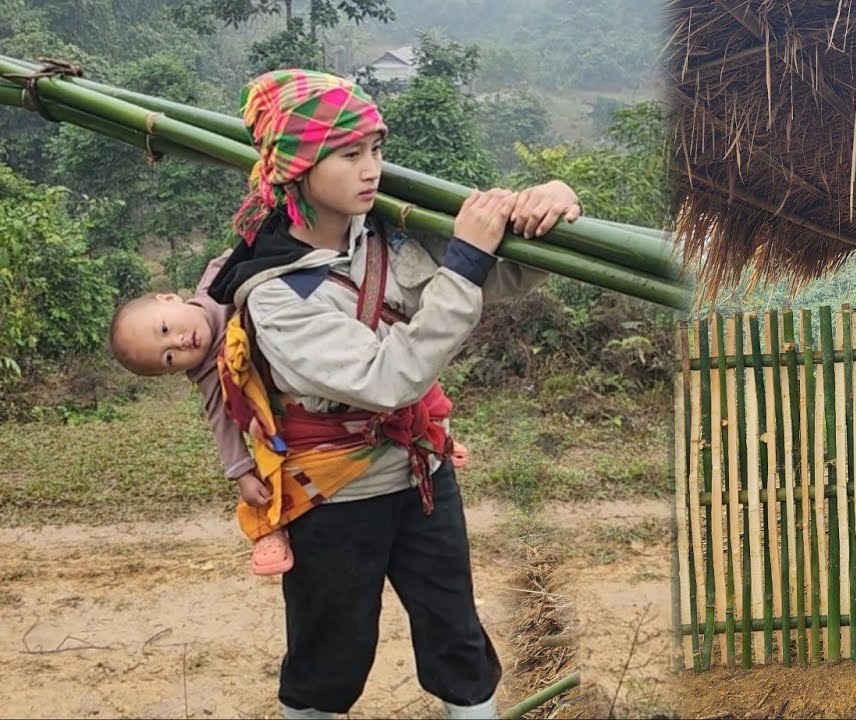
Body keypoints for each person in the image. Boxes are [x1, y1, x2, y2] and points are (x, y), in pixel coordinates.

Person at [206, 69, 582, 719]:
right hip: (335, 496)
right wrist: (465, 257)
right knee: (331, 654)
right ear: (296, 166)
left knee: (457, 637)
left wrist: (552, 204)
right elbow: (388, 378)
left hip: (422, 476)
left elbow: (498, 274)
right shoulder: (274, 291)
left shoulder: (385, 230)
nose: (371, 168)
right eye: (350, 154)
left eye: (376, 149)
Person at [106, 253, 471, 577]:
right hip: (283, 424)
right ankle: (269, 528)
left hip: (334, 345)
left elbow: (247, 246)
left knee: (405, 374)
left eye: (165, 329)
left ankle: (437, 438)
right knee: (270, 464)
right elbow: (222, 426)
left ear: (169, 298)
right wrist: (242, 475)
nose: (179, 342)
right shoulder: (206, 372)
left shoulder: (218, 281)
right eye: (168, 357)